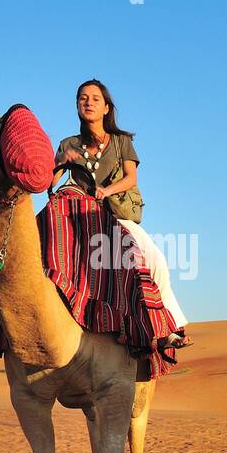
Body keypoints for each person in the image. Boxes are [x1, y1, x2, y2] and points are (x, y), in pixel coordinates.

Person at [52, 79, 191, 350]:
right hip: (79, 216)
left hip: (114, 214)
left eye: (95, 98)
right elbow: (48, 182)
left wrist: (105, 190)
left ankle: (168, 328)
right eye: (83, 98)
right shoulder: (68, 143)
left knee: (154, 259)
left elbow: (131, 178)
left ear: (106, 108)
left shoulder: (121, 142)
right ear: (77, 105)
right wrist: (59, 162)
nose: (88, 102)